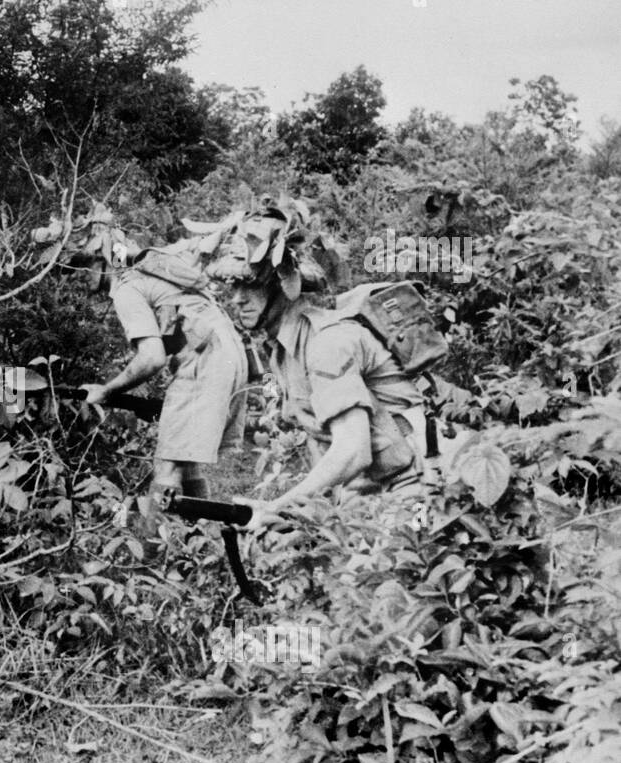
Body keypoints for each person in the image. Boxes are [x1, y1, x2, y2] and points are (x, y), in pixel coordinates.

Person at [201, 198, 426, 529]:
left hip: (418, 487)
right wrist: (302, 515)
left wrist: (277, 506)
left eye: (250, 284)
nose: (237, 298)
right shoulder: (284, 350)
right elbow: (326, 445)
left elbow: (354, 450)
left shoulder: (326, 342)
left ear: (281, 284)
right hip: (369, 495)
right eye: (234, 285)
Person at [79, 208, 248, 526]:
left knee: (167, 467)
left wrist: (106, 390)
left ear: (101, 262)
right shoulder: (150, 269)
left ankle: (152, 560)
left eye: (79, 266)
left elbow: (151, 358)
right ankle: (199, 548)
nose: (75, 275)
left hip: (205, 358)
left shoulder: (126, 287)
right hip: (228, 351)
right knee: (186, 462)